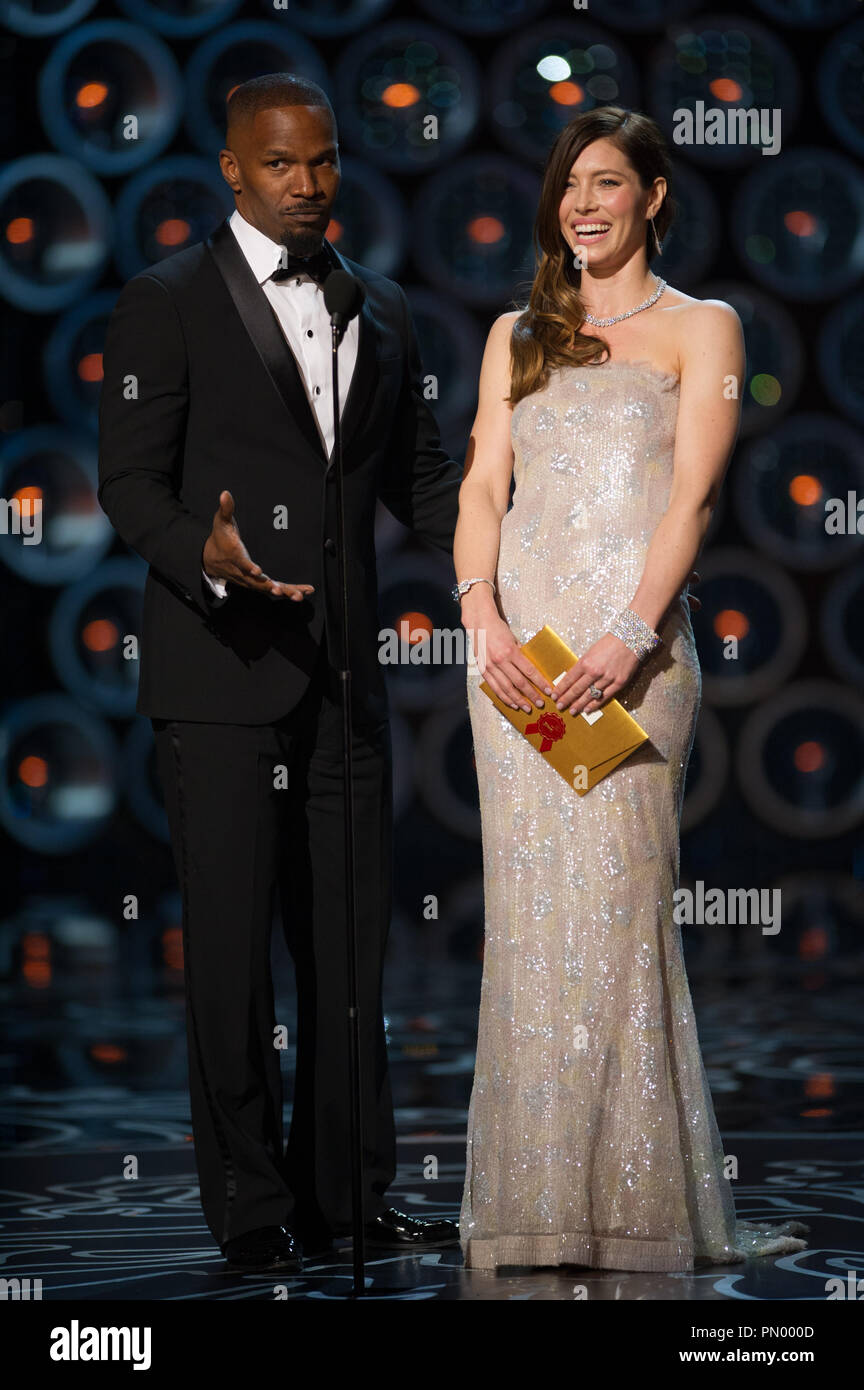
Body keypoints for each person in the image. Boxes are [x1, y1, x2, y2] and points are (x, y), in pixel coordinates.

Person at [97, 73, 462, 1272]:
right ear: (232, 170)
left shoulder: (382, 305)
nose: (307, 184)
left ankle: (348, 1197)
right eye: (279, 164)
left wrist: (534, 553)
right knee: (232, 961)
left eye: (322, 161)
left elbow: (422, 484)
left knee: (350, 954)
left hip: (347, 684)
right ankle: (252, 1208)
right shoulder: (164, 302)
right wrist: (199, 552)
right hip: (219, 677)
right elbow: (128, 482)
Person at [454, 106, 809, 1272]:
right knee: (533, 927)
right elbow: (483, 485)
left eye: (607, 182)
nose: (584, 205)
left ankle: (636, 1214)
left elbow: (691, 497)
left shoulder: (705, 327)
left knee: (616, 917)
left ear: (653, 196)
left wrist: (628, 632)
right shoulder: (519, 333)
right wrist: (480, 616)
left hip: (631, 660)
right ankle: (535, 1214)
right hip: (521, 665)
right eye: (570, 185)